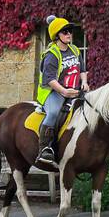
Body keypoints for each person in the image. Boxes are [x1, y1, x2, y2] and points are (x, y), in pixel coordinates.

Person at [35, 15, 90, 169]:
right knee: (53, 113)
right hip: (54, 93)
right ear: (56, 35)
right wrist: (65, 92)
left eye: (70, 31)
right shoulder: (52, 54)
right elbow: (50, 80)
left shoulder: (74, 49)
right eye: (65, 31)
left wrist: (84, 82)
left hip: (74, 91)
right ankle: (44, 149)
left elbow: (83, 69)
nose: (69, 34)